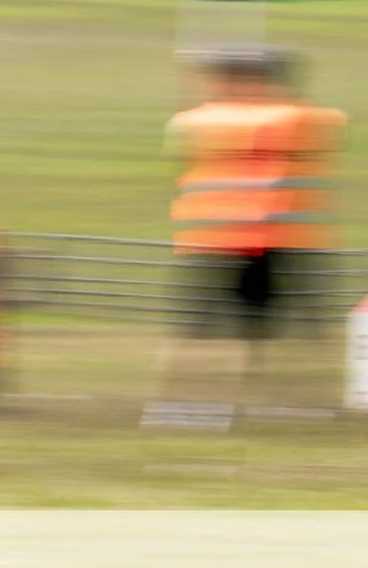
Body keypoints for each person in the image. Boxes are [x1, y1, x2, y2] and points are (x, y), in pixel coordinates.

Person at [142, 45, 346, 429]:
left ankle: (176, 407)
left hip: (214, 244)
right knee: (291, 333)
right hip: (282, 241)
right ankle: (306, 409)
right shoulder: (303, 118)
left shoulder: (198, 120)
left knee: (194, 333)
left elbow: (183, 138)